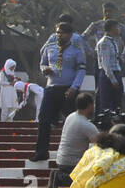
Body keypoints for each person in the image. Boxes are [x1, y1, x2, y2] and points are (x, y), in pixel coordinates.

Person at [34, 22, 88, 161]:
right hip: (51, 87)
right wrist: (44, 69)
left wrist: (74, 87)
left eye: (62, 32)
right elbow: (42, 63)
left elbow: (81, 70)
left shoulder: (76, 50)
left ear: (70, 35)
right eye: (58, 32)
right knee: (44, 120)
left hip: (68, 89)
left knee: (72, 122)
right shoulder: (50, 48)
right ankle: (41, 152)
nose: (59, 35)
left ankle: (75, 154)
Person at [50, 91, 99, 188]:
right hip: (72, 162)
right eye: (93, 105)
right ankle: (60, 178)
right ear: (90, 106)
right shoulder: (85, 124)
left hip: (62, 160)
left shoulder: (71, 116)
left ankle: (60, 175)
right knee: (87, 180)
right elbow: (101, 142)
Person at [94, 19, 125, 117]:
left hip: (115, 72)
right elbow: (105, 63)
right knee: (106, 104)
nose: (119, 29)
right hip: (108, 75)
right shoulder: (104, 43)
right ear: (112, 28)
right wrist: (113, 79)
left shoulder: (113, 41)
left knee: (117, 102)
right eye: (117, 27)